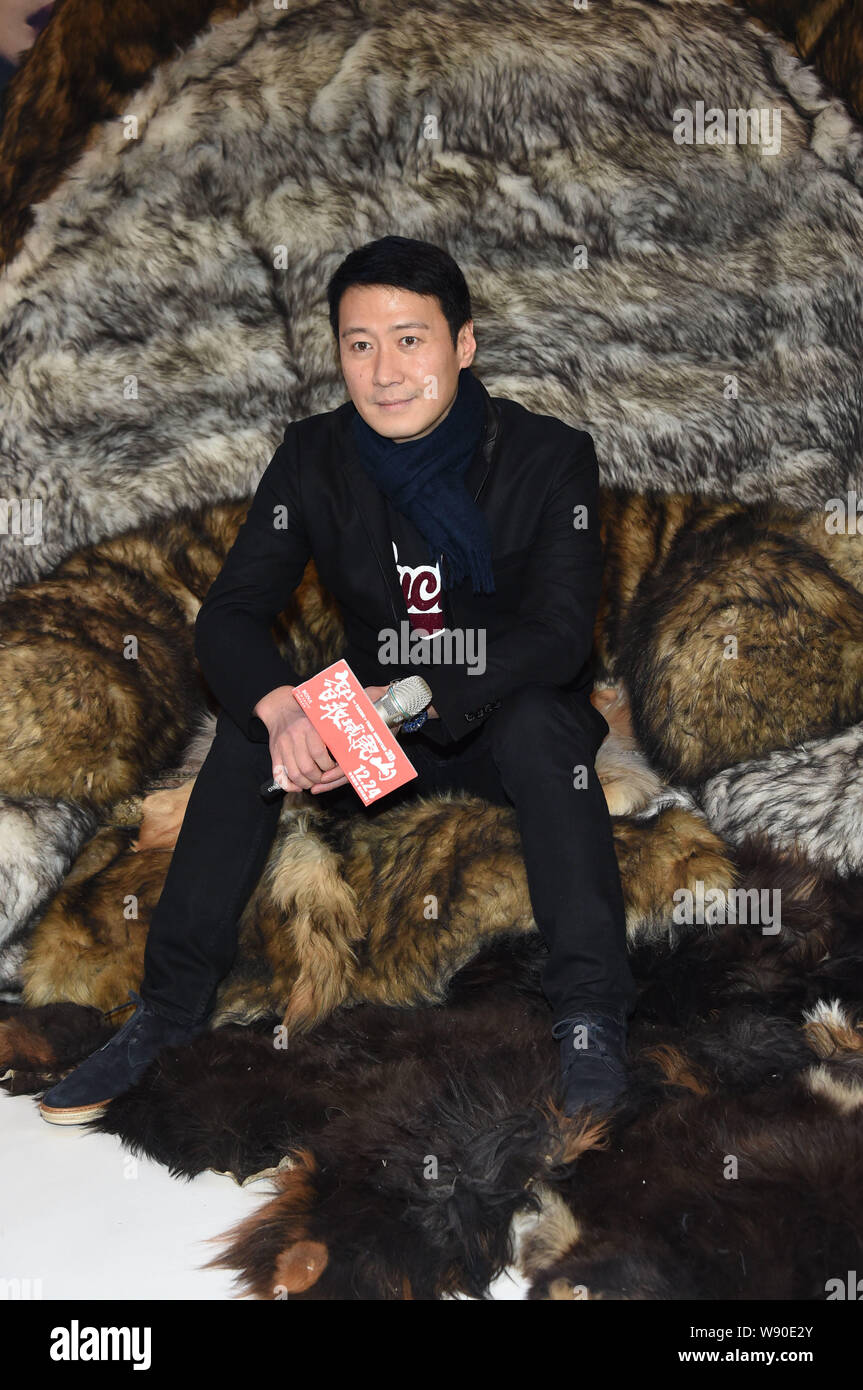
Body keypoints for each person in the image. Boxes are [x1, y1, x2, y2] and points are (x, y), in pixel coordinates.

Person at [40, 235, 636, 1126]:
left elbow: (555, 638)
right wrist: (285, 709)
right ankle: (166, 1015)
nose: (384, 370)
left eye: (409, 339)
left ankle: (589, 1020)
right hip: (375, 736)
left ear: (462, 345)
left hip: (497, 714)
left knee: (546, 731)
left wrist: (423, 699)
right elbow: (231, 614)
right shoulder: (314, 456)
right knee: (250, 732)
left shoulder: (551, 457)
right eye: (359, 344)